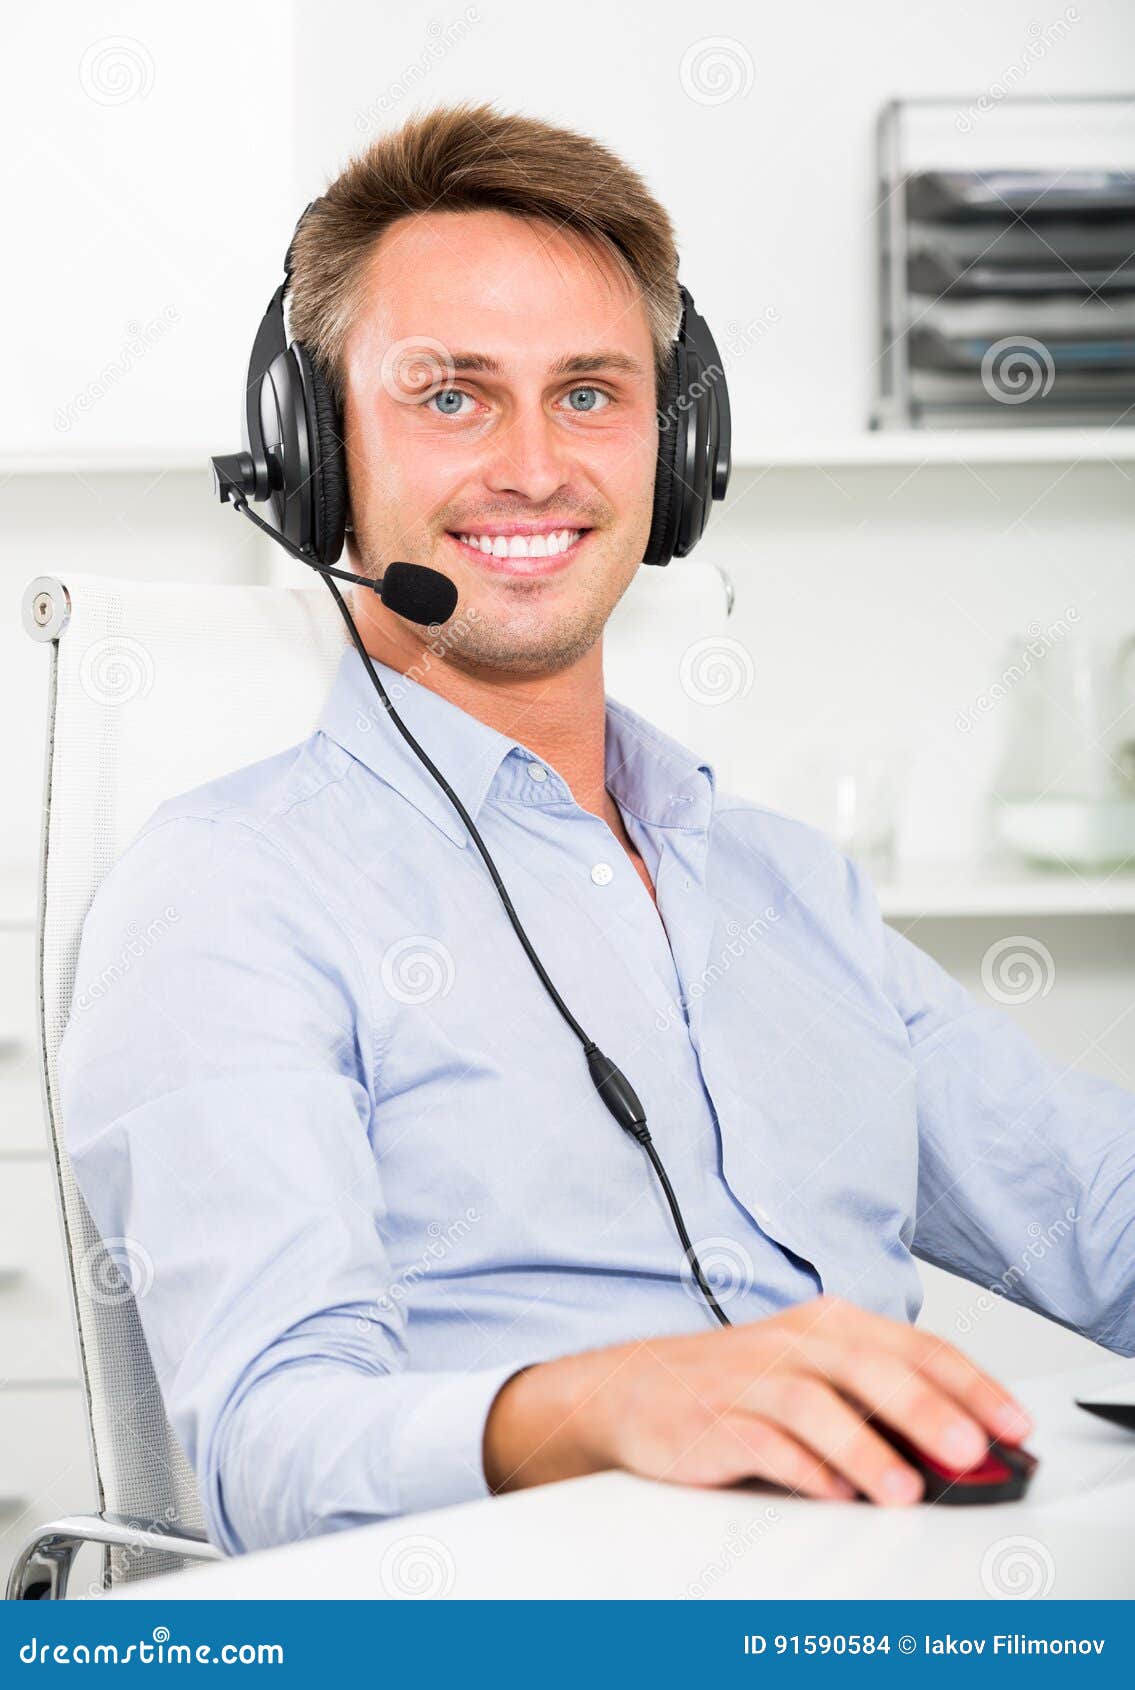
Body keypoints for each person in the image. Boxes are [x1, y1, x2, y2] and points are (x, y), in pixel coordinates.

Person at [60, 103, 1134, 1557]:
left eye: (589, 392)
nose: (533, 464)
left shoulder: (781, 881)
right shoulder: (227, 894)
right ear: (314, 450)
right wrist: (610, 1404)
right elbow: (274, 1441)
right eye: (449, 395)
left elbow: (1091, 1204)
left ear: (675, 450)